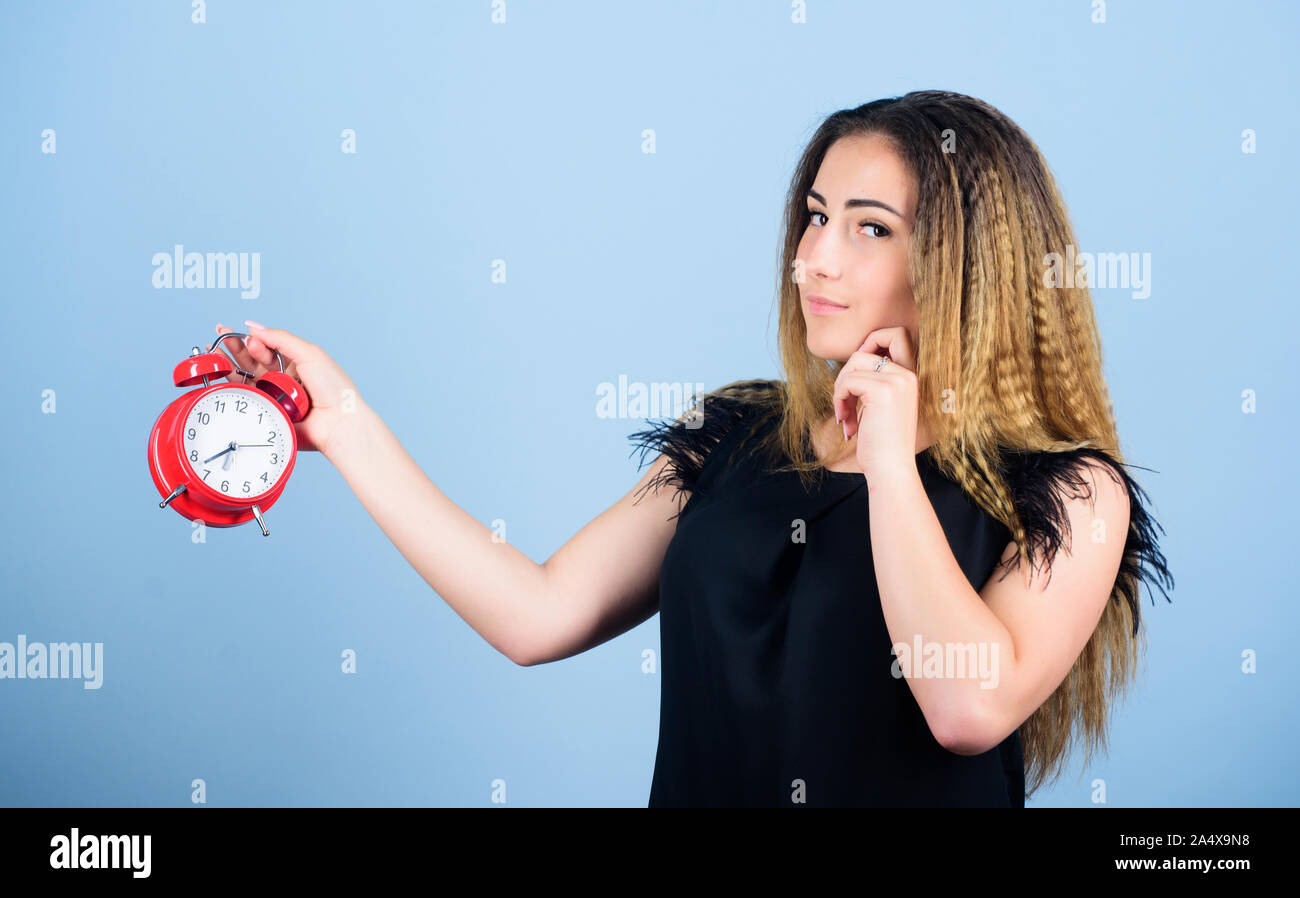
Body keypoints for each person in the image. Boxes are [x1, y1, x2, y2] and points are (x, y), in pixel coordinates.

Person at [214, 89, 1173, 807]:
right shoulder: (734, 438)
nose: (814, 258)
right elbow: (536, 615)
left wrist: (888, 460)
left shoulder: (1070, 494)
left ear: (963, 263)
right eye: (815, 216)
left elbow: (967, 711)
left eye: (868, 228)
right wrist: (340, 423)